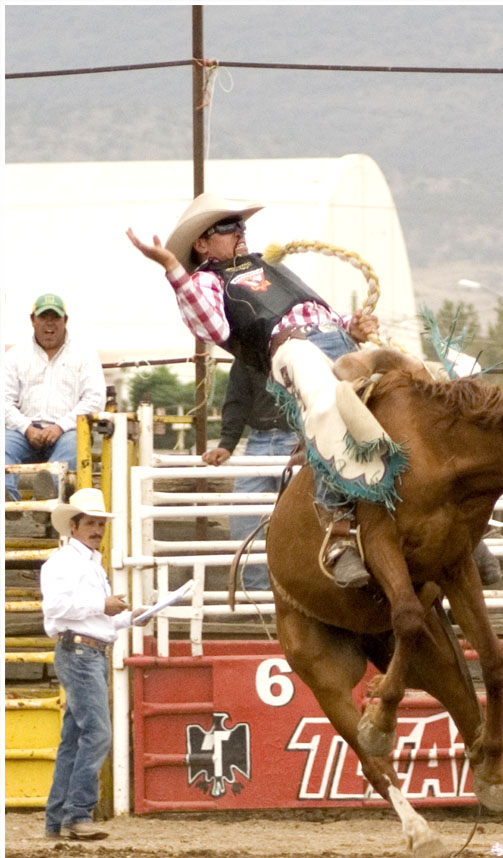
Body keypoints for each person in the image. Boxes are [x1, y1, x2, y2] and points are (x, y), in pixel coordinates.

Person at [127, 193, 403, 589]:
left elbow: (314, 310)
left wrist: (350, 325)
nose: (239, 231)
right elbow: (212, 328)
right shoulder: (206, 279)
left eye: (239, 225)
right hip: (290, 350)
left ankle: (435, 507)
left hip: (335, 340)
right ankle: (338, 536)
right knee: (326, 408)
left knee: (409, 383)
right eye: (226, 227)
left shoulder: (268, 266)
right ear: (201, 245)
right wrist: (174, 268)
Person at [41, 488, 152, 840]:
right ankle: (76, 813)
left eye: (100, 524)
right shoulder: (63, 563)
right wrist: (102, 606)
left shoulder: (84, 562)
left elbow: (91, 616)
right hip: (81, 655)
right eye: (91, 523)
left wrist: (129, 617)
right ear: (73, 526)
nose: (98, 530)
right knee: (96, 733)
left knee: (75, 738)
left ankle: (59, 818)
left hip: (85, 651)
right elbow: (56, 610)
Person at [202, 358, 297, 590]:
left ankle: (299, 594)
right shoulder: (247, 357)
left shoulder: (304, 346)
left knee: (303, 518)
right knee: (243, 518)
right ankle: (257, 596)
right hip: (260, 439)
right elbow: (236, 401)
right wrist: (227, 443)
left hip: (298, 438)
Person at [4, 294, 106, 501]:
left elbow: (95, 399)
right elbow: (3, 400)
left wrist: (59, 427)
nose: (49, 323)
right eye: (43, 317)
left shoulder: (85, 354)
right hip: (23, 431)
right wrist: (26, 427)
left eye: (55, 317)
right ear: (33, 320)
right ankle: (6, 497)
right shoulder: (15, 355)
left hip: (68, 431)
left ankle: (47, 497)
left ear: (65, 321)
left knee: (75, 445)